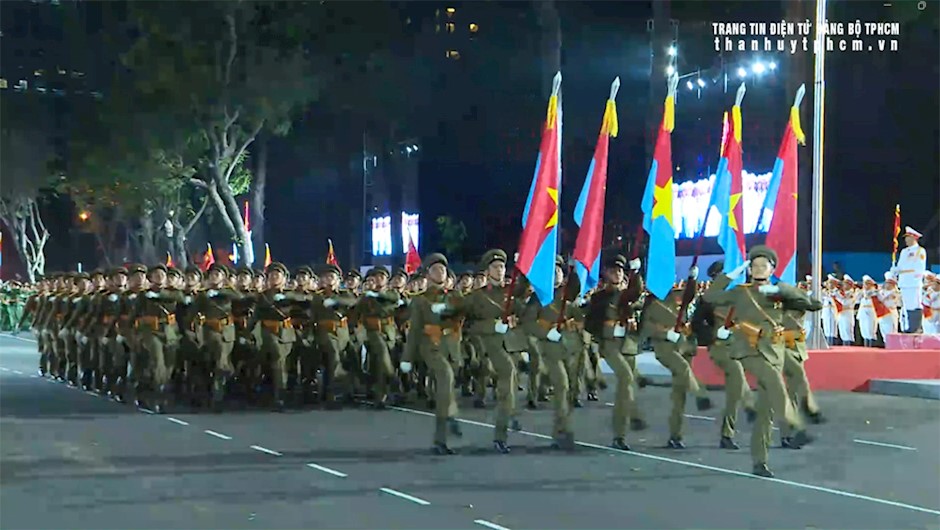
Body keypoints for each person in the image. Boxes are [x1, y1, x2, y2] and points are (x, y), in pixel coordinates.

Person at [703, 244, 815, 478]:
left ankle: (759, 462)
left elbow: (813, 304)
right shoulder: (741, 292)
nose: (758, 269)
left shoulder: (778, 293)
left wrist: (783, 288)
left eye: (764, 265)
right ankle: (794, 425)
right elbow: (710, 297)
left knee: (766, 412)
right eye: (754, 265)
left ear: (772, 268)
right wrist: (730, 275)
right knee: (776, 383)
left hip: (774, 352)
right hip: (749, 350)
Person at [893, 226, 927, 333]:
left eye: (908, 238)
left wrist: (914, 277)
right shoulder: (904, 251)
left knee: (915, 304)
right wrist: (895, 270)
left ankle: (916, 327)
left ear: (914, 238)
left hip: (913, 281)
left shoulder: (920, 251)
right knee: (907, 305)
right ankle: (908, 327)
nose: (906, 240)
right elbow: (900, 265)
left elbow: (919, 268)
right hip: (904, 282)